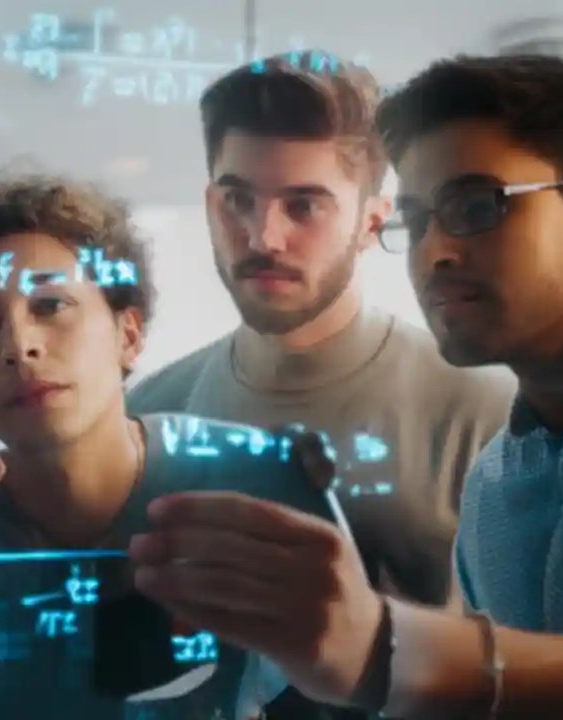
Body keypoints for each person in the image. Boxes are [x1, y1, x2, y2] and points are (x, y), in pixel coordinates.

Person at [129, 55, 563, 718]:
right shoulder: (496, 481)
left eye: (477, 207)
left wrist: (387, 650)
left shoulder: (472, 430)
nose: (434, 252)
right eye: (418, 221)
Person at [125, 51, 517, 718]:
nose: (262, 236)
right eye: (236, 199)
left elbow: (547, 666)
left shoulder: (485, 411)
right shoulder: (149, 411)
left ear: (371, 222)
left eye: (303, 204)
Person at [0, 171, 349, 720]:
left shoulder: (257, 480)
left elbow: (347, 688)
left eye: (51, 305)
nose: (19, 346)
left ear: (128, 335)